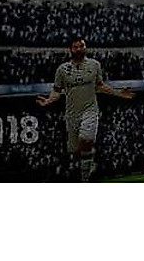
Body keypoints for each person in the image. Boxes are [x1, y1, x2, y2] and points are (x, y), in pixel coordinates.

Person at [35, 37, 134, 181]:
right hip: (72, 113)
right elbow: (56, 91)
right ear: (71, 49)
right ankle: (86, 163)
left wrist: (118, 93)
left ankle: (85, 178)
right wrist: (48, 100)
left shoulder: (94, 65)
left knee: (86, 138)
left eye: (81, 46)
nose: (79, 49)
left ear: (85, 48)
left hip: (90, 110)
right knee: (75, 150)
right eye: (76, 47)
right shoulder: (62, 69)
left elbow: (100, 85)